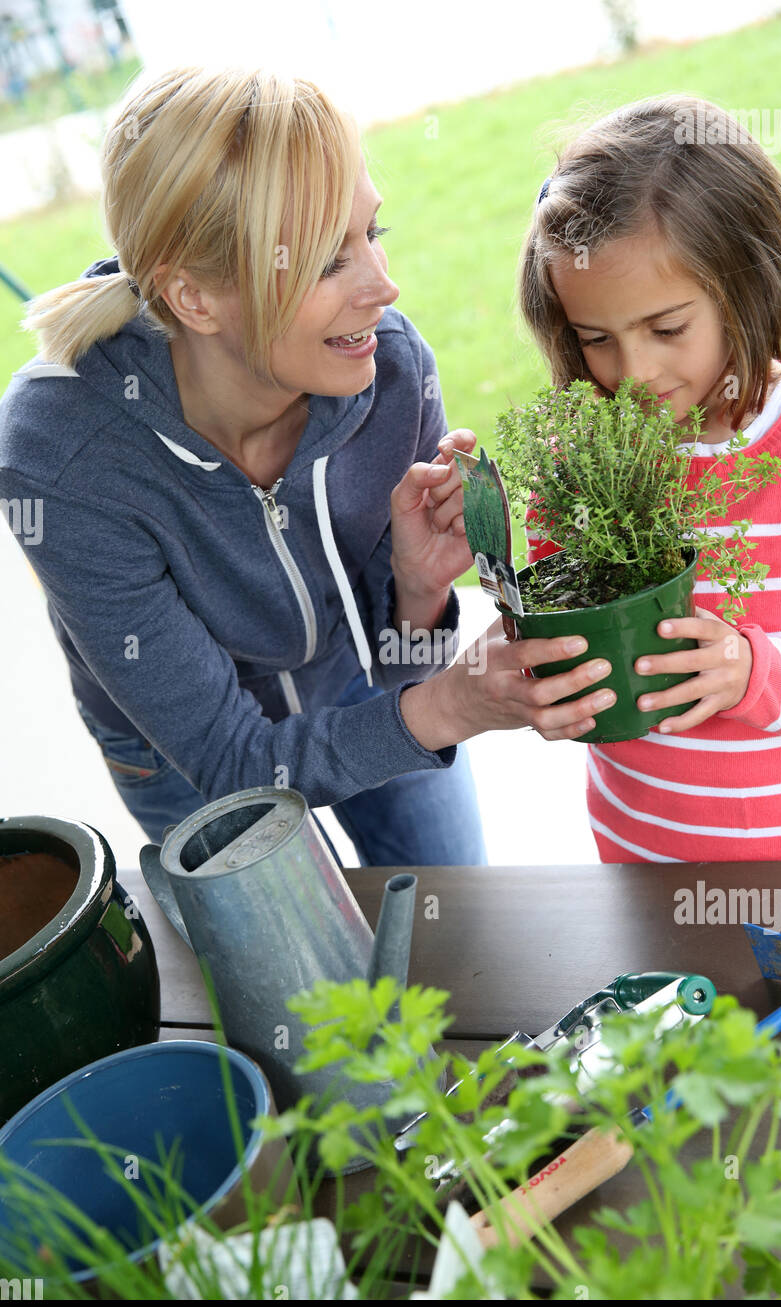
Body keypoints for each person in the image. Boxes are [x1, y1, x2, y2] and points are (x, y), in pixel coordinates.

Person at [0, 65, 608, 862]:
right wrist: (454, 708)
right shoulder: (62, 457)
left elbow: (403, 669)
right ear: (194, 299)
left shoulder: (389, 368)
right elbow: (230, 765)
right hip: (182, 754)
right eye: (329, 262)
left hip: (366, 687)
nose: (385, 288)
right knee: (293, 983)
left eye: (373, 235)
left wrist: (420, 592)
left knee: (443, 937)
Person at [516, 94, 781, 862]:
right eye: (595, 339)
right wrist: (535, 666)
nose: (635, 373)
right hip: (643, 862)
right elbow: (550, 636)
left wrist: (757, 673)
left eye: (667, 329)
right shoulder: (584, 459)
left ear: (752, 281)